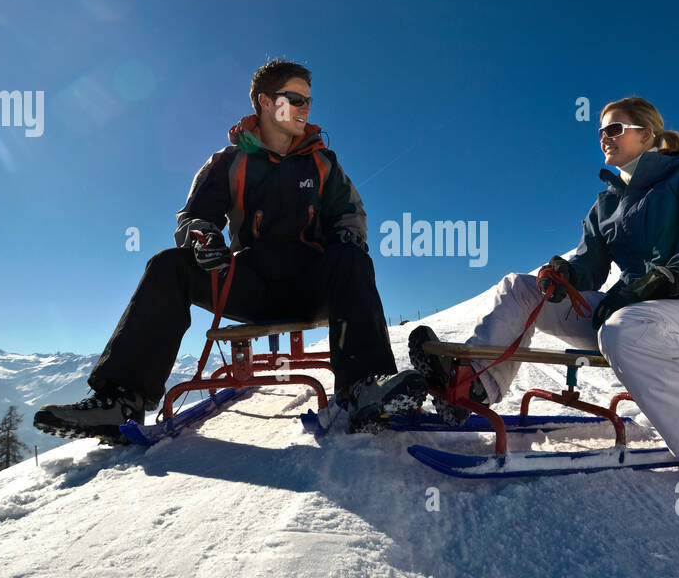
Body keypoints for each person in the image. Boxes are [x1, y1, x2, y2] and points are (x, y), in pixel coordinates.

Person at [35, 59, 425, 442]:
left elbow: (350, 215)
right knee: (168, 265)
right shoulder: (230, 162)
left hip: (315, 285)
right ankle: (119, 400)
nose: (306, 108)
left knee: (352, 253)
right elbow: (194, 217)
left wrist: (347, 237)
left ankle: (364, 390)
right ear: (265, 102)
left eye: (309, 100)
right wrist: (203, 239)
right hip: (250, 285)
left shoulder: (323, 163)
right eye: (295, 98)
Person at [409, 97, 679, 482]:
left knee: (627, 328)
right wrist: (565, 277)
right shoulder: (607, 202)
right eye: (601, 131)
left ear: (647, 134)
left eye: (615, 129)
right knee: (519, 288)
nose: (605, 138)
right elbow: (590, 267)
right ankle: (475, 387)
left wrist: (663, 280)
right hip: (624, 309)